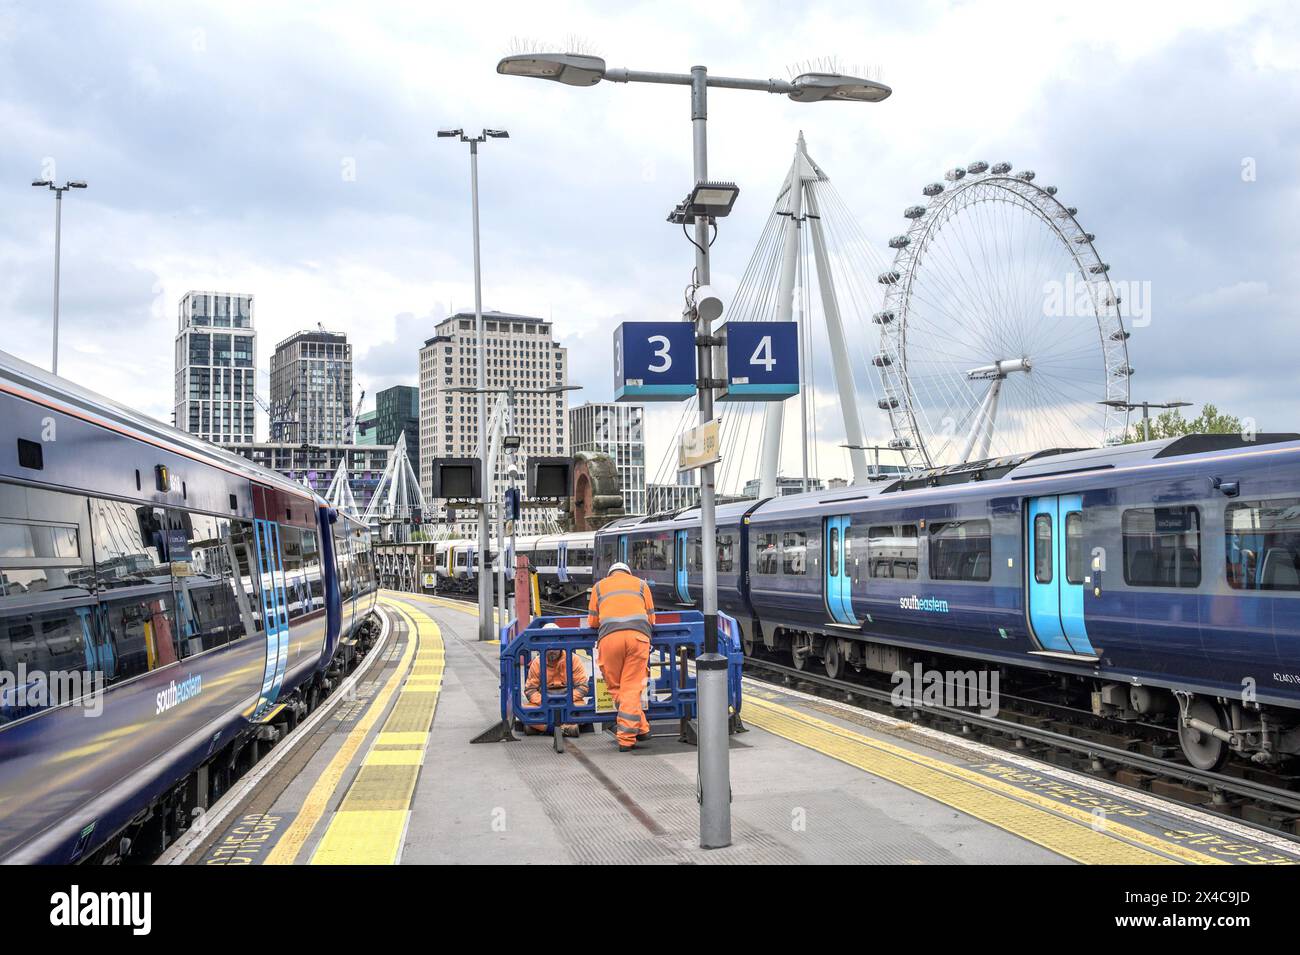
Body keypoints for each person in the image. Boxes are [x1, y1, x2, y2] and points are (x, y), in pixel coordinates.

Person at [586, 561, 655, 751]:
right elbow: (651, 618)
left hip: (609, 640)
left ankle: (626, 738)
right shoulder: (641, 584)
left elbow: (592, 622)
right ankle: (640, 728)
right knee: (631, 688)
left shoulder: (598, 587)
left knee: (617, 687)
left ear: (610, 574)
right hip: (638, 639)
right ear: (628, 572)